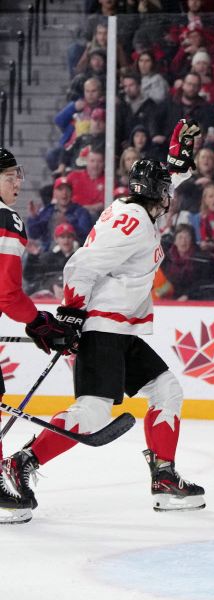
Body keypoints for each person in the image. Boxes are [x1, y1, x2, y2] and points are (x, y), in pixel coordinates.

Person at [1, 123, 207, 517]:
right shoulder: (130, 222)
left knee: (167, 392)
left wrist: (178, 164)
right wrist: (72, 318)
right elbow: (80, 265)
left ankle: (164, 478)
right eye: (165, 192)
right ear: (155, 196)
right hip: (101, 330)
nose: (169, 198)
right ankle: (21, 462)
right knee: (92, 414)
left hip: (121, 331)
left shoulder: (140, 212)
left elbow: (163, 188)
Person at [0, 148, 79, 525]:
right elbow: (8, 294)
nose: (19, 182)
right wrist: (39, 322)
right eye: (11, 175)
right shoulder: (6, 218)